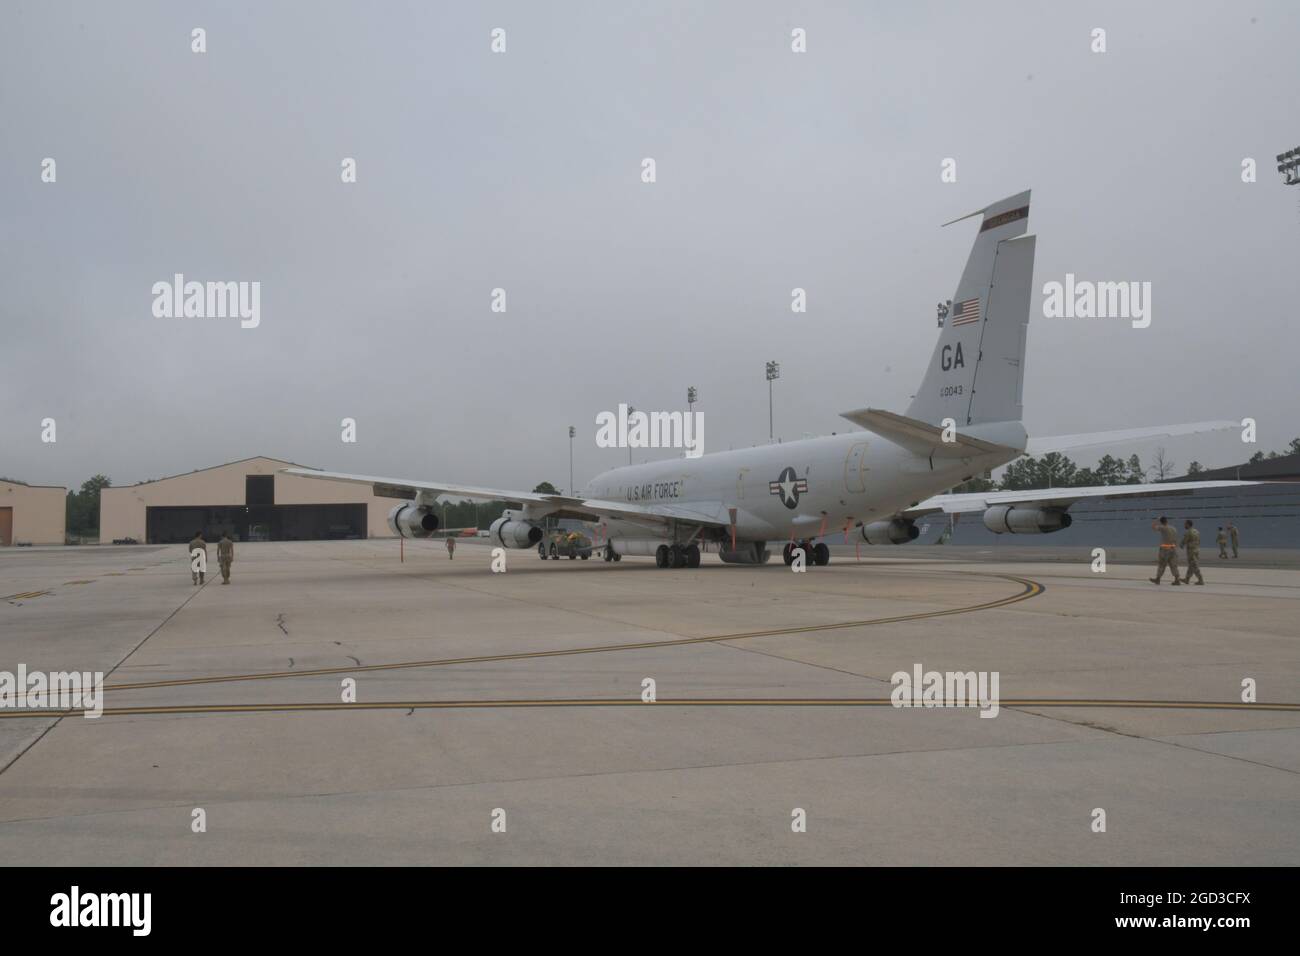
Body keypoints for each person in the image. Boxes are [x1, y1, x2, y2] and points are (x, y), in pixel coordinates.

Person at [1149, 516, 1181, 585]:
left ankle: (1158, 579)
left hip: (1165, 550)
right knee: (1173, 565)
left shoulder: (1163, 527)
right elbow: (1176, 539)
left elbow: (1153, 527)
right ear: (1167, 521)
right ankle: (1177, 579)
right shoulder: (1173, 528)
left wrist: (1157, 520)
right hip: (1173, 549)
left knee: (1162, 565)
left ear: (1161, 522)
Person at [1180, 520, 1204, 585]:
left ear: (1188, 524)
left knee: (1194, 565)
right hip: (1196, 550)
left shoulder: (1189, 532)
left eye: (1185, 524)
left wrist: (1181, 545)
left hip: (1191, 551)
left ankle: (1200, 580)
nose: (1184, 525)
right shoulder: (1196, 531)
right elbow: (1199, 541)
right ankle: (1187, 579)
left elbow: (1184, 541)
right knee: (1191, 565)